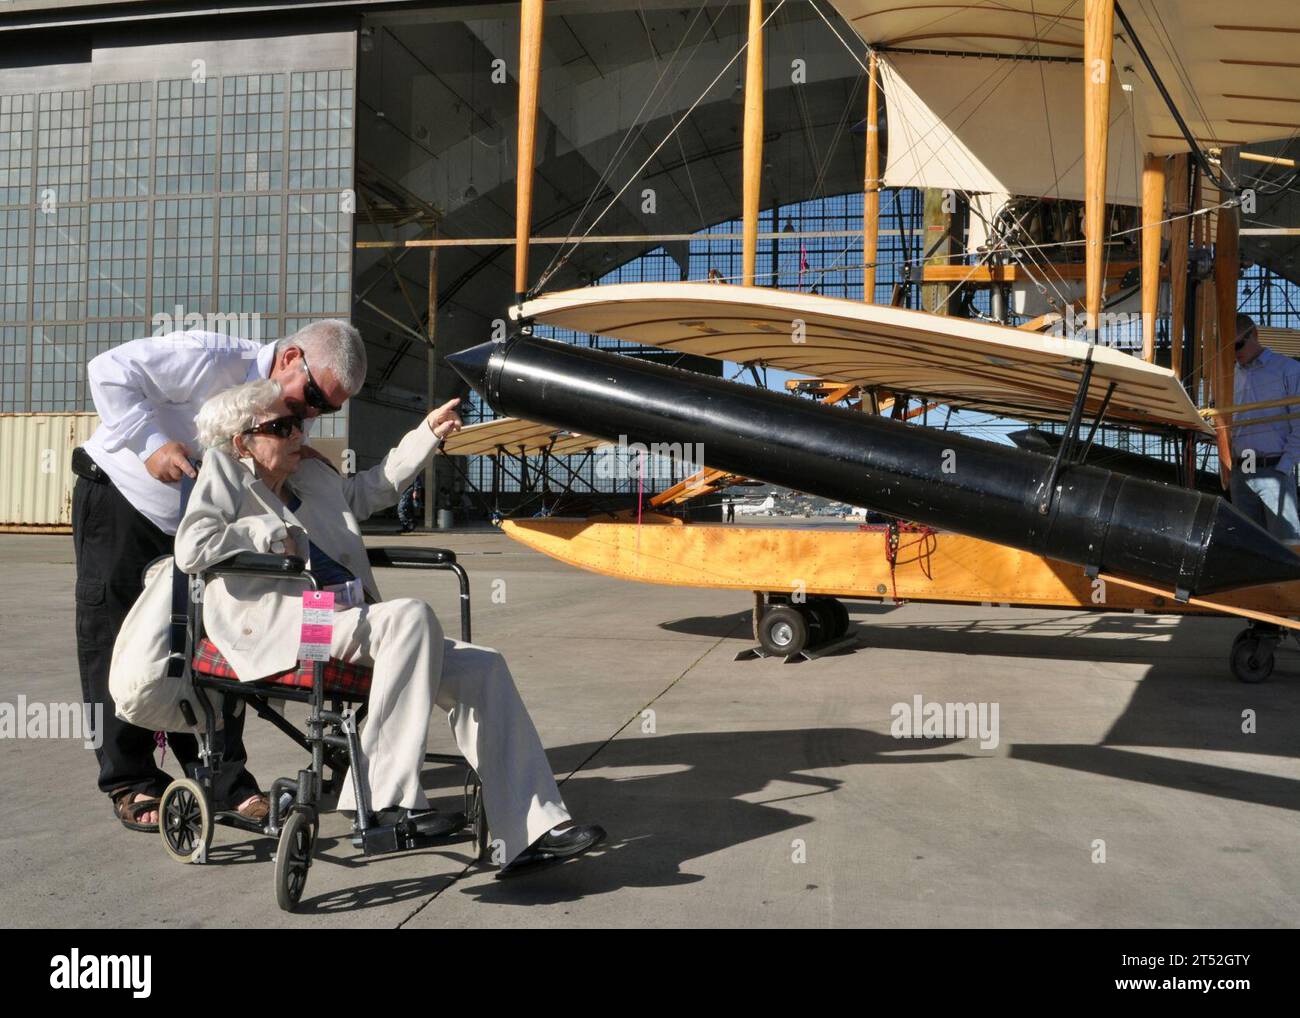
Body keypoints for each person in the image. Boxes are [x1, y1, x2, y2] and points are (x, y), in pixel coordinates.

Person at [172, 379, 605, 873]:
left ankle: (530, 831)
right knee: (411, 614)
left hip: (342, 616)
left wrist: (428, 432)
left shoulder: (310, 476)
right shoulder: (225, 473)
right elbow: (191, 547)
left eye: (298, 423)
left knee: (484, 668)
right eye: (281, 426)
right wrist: (268, 532)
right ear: (242, 440)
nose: (298, 434)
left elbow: (374, 487)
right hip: (290, 622)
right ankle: (383, 801)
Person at [73, 319, 365, 832]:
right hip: (122, 501)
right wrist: (152, 445)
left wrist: (293, 447)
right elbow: (108, 371)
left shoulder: (291, 405)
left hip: (199, 524)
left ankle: (222, 780)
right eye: (312, 395)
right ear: (290, 357)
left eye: (326, 408)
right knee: (118, 636)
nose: (313, 412)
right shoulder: (209, 356)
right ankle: (130, 779)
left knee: (214, 639)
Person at [1229, 313, 1300, 542]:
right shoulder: (1229, 376)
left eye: (1238, 345)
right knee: (1249, 548)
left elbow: (1298, 422)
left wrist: (1284, 467)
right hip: (1242, 470)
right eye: (1228, 348)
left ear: (1255, 335)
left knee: (1286, 544)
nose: (1235, 353)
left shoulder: (1287, 369)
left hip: (1273, 468)